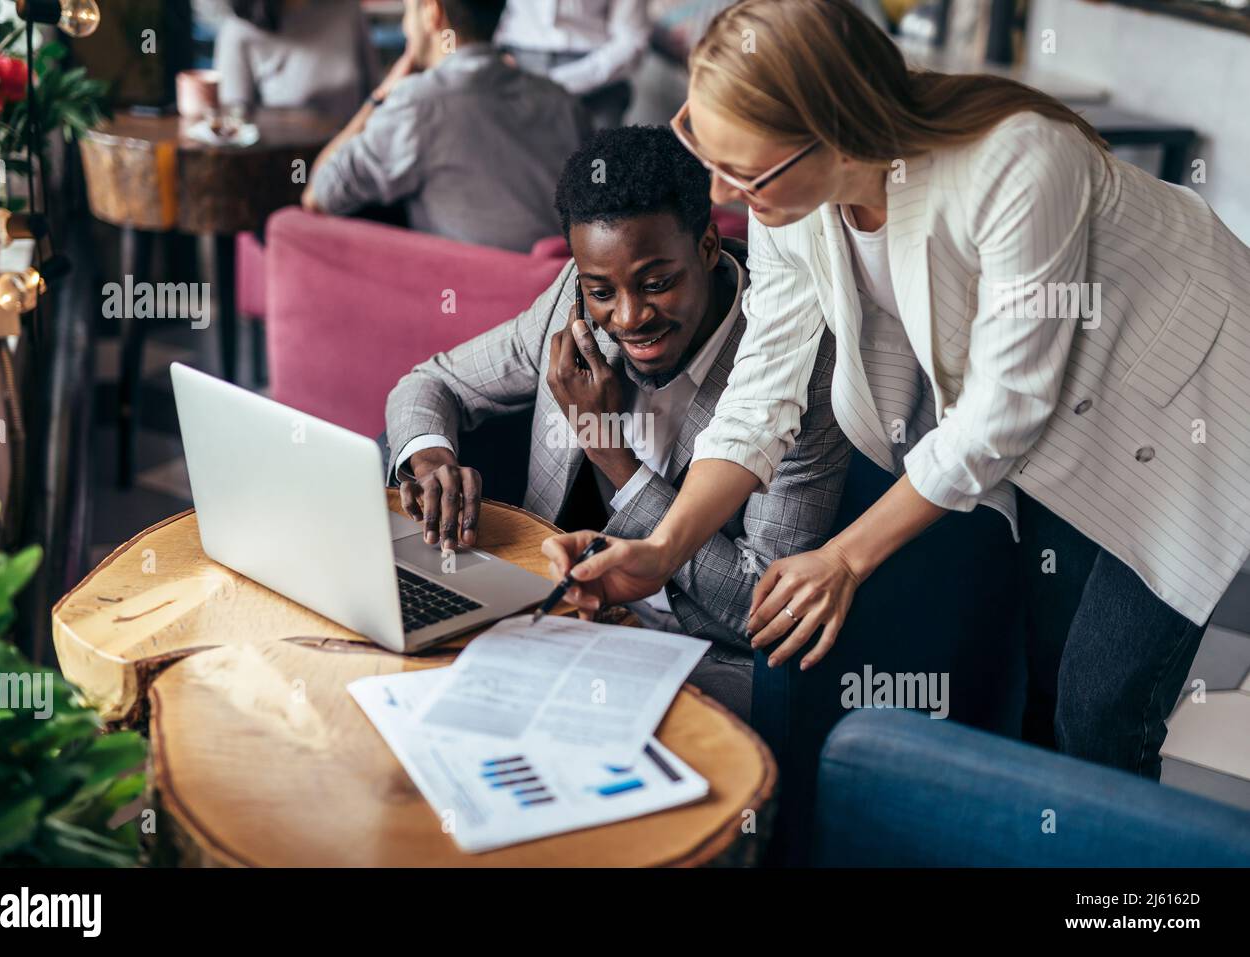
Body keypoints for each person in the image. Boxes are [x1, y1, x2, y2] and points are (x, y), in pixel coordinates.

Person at [546, 0, 1250, 796]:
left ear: (834, 129)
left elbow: (1003, 409)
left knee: (1100, 712)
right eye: (709, 154)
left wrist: (844, 558)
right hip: (1061, 417)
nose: (720, 191)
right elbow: (763, 388)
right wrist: (663, 547)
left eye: (741, 171)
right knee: (1045, 681)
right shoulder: (791, 195)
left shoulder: (1019, 161)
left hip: (1189, 400)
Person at [381, 126, 851, 719]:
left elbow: (756, 607)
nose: (628, 317)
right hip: (550, 612)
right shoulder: (571, 303)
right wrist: (431, 461)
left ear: (709, 247)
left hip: (700, 658)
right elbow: (430, 382)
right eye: (601, 290)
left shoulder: (799, 362)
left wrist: (612, 456)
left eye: (658, 284)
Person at [302, 0, 591, 253]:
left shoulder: (419, 104)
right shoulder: (561, 101)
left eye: (406, 10)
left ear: (431, 10)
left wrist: (381, 95)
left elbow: (318, 195)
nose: (405, 27)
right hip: (565, 302)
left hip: (474, 305)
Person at [215, 0, 380, 125]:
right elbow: (234, 123)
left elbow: (377, 95)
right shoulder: (238, 30)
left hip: (350, 156)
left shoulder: (346, 9)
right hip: (283, 161)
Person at [495, 0, 649, 128]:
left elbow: (631, 40)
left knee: (601, 160)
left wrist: (558, 82)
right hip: (517, 65)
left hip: (598, 77)